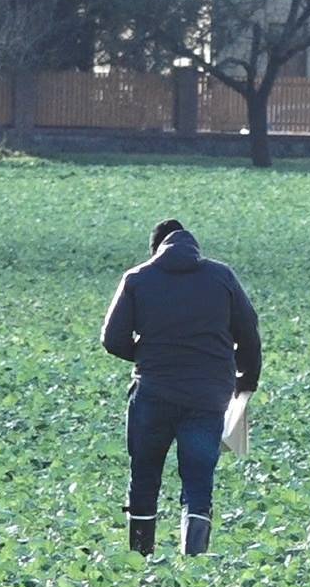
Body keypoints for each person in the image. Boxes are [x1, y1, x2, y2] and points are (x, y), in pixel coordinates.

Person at [102, 219, 261, 556]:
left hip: (153, 393)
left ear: (155, 250)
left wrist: (147, 355)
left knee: (144, 474)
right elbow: (249, 330)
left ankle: (140, 556)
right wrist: (246, 380)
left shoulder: (137, 279)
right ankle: (194, 561)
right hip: (207, 397)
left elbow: (112, 340)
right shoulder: (222, 277)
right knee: (198, 478)